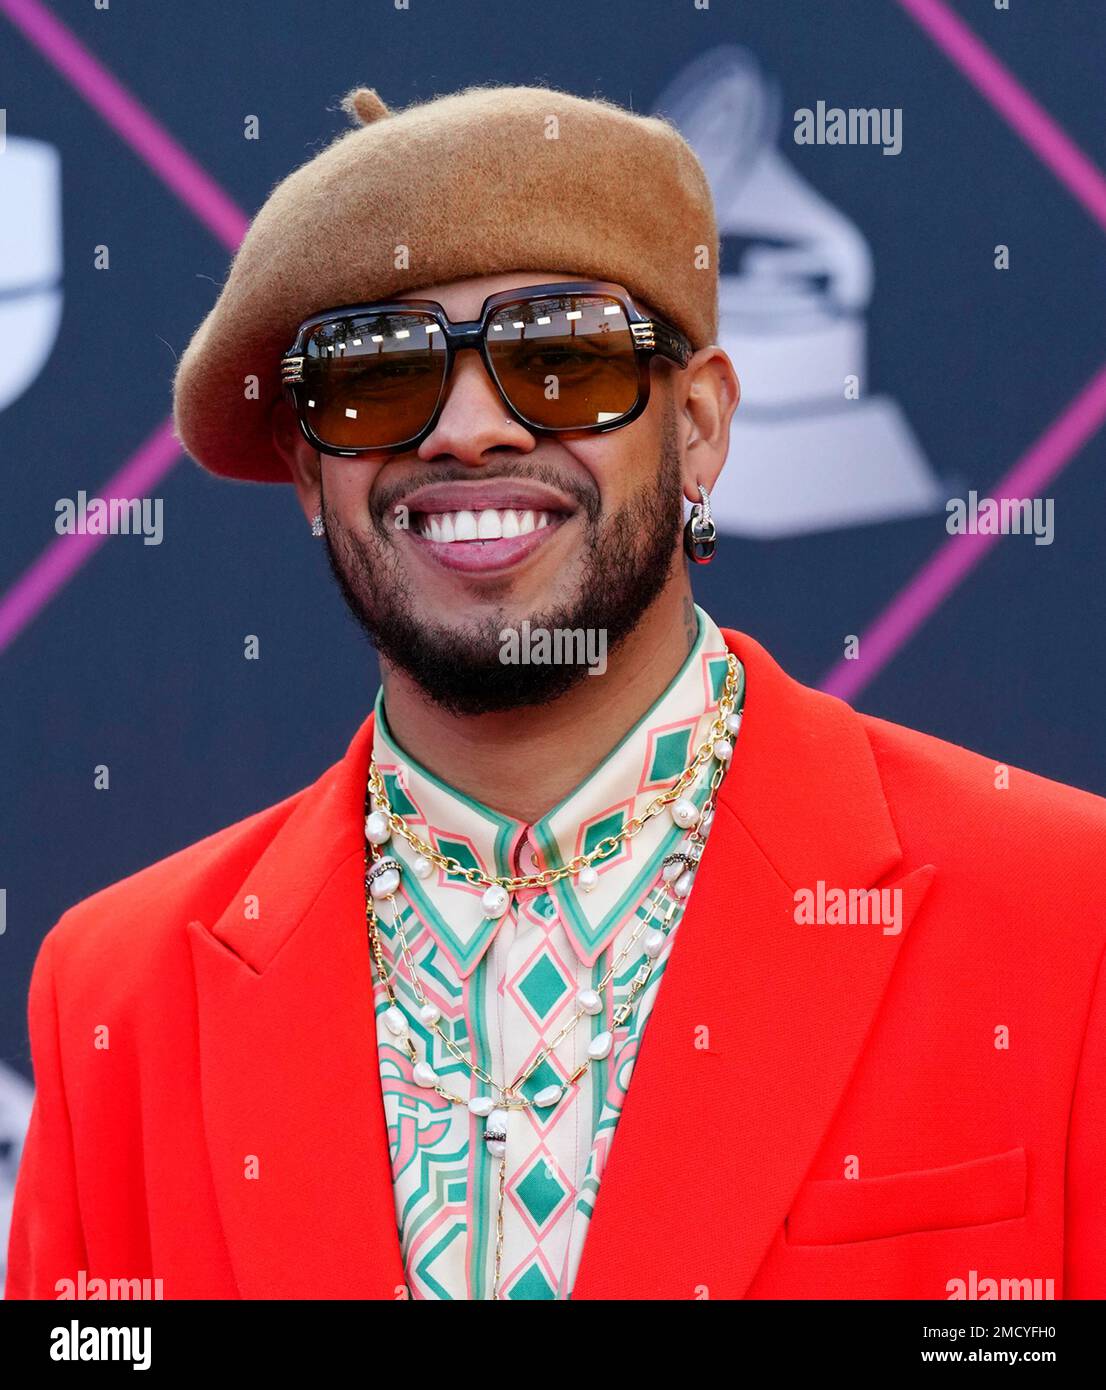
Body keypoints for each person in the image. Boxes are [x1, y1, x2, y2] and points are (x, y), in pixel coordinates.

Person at [7, 82, 1105, 1303]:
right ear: (307, 474)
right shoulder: (119, 992)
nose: (469, 430)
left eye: (560, 358)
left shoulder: (1069, 911)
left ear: (696, 428)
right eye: (378, 377)